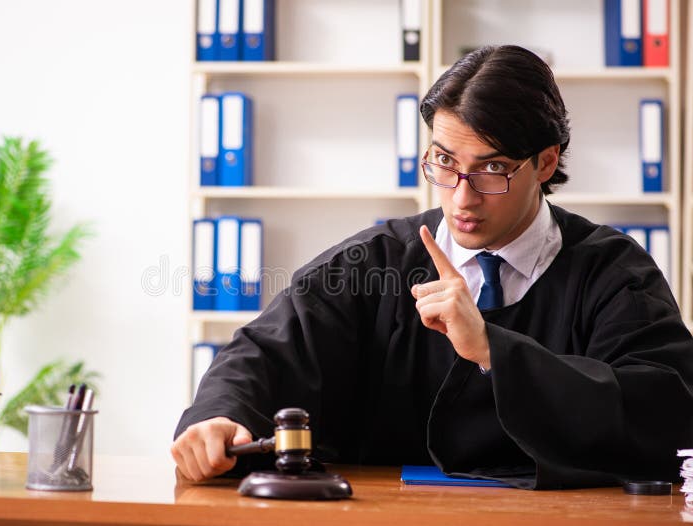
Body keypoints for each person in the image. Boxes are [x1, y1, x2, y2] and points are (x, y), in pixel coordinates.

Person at [172, 45, 693, 489]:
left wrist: (493, 350)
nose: (462, 198)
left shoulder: (612, 271)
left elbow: (667, 410)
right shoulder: (374, 262)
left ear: (546, 162)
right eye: (444, 163)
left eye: (492, 168)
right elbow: (266, 350)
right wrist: (220, 415)